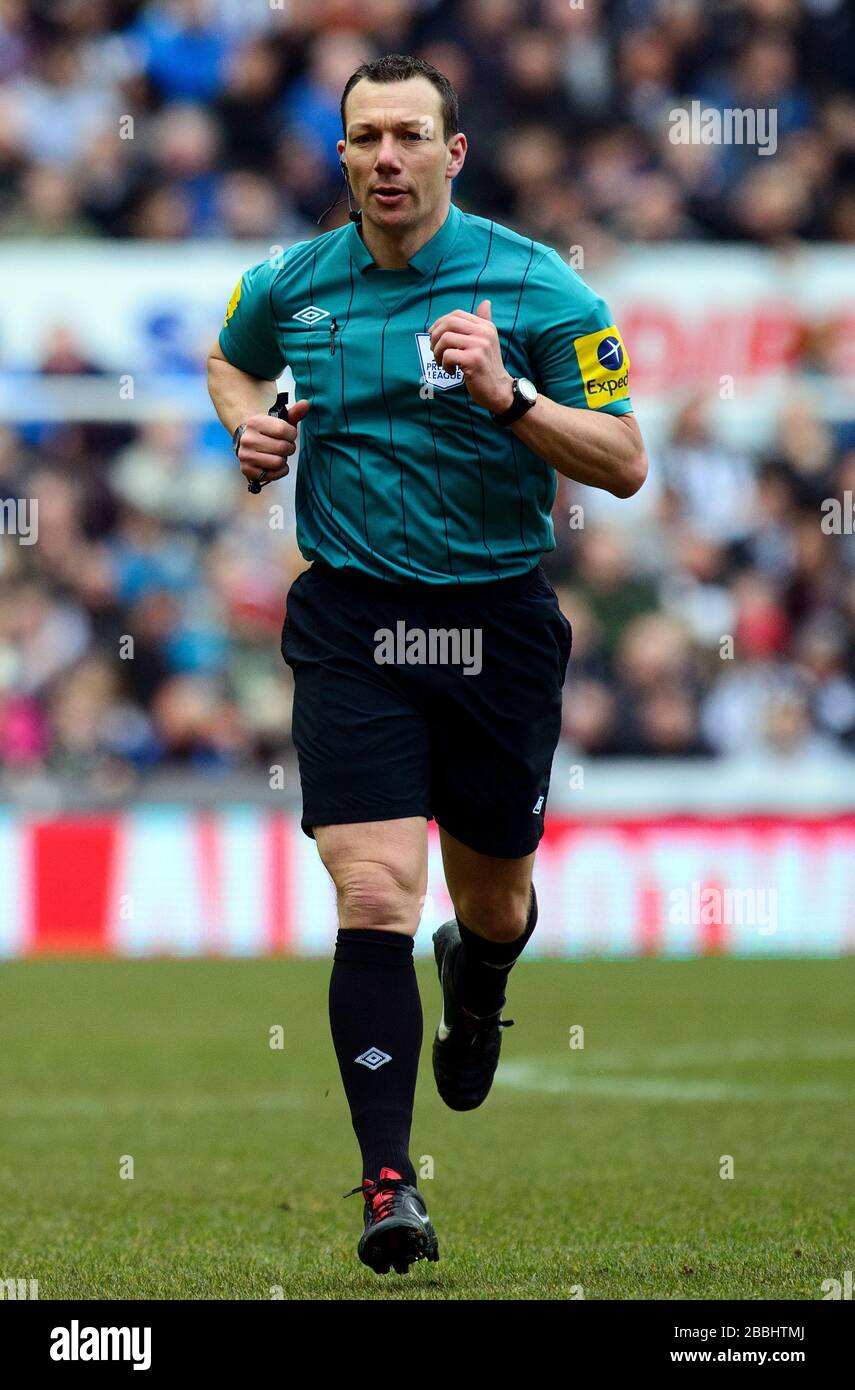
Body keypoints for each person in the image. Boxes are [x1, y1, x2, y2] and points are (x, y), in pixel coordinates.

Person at [207, 53, 646, 1277]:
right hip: (353, 623)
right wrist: (245, 420)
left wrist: (509, 397)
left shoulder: (539, 286)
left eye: (409, 135)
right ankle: (389, 1184)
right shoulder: (293, 283)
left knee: (491, 898)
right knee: (377, 895)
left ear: (456, 153)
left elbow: (622, 459)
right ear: (339, 156)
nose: (386, 158)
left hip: (494, 623)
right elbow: (230, 356)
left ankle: (481, 970)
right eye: (365, 138)